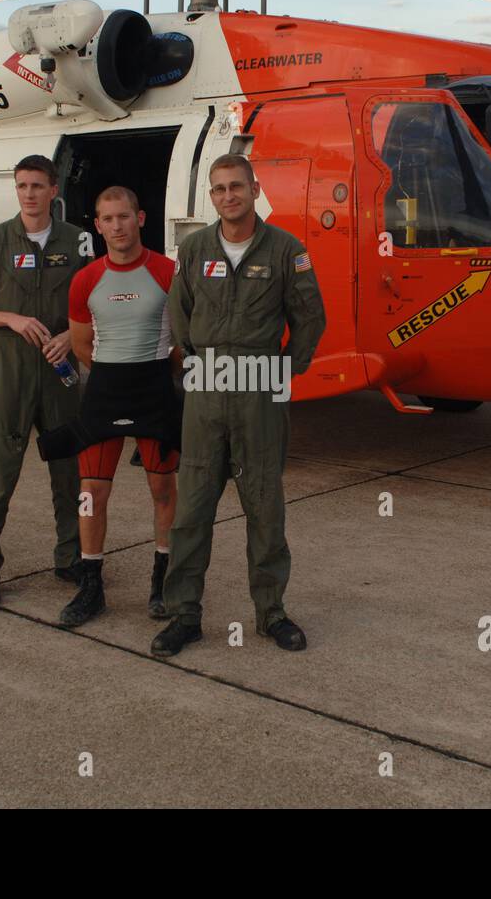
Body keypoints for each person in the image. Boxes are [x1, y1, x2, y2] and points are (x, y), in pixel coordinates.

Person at [150, 154, 327, 658]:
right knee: (193, 510)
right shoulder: (195, 247)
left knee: (265, 508)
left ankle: (271, 613)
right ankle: (184, 613)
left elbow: (310, 318)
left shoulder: (285, 250)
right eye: (219, 189)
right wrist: (197, 361)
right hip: (206, 391)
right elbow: (179, 311)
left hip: (259, 392)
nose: (229, 196)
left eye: (237, 187)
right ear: (212, 197)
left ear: (254, 189)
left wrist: (282, 370)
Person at [0, 154, 94, 607]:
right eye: (21, 186)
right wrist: (10, 319)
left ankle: (71, 557)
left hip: (62, 374)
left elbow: (99, 301)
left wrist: (71, 338)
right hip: (10, 374)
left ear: (54, 190)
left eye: (37, 185)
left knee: (69, 472)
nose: (29, 194)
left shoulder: (79, 242)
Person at [37, 186, 181, 628]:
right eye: (107, 219)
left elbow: (180, 342)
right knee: (91, 494)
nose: (116, 226)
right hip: (105, 390)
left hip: (155, 388)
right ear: (97, 226)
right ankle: (91, 584)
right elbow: (82, 345)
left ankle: (163, 579)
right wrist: (114, 377)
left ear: (140, 218)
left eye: (124, 216)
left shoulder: (168, 271)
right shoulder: (86, 279)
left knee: (163, 491)